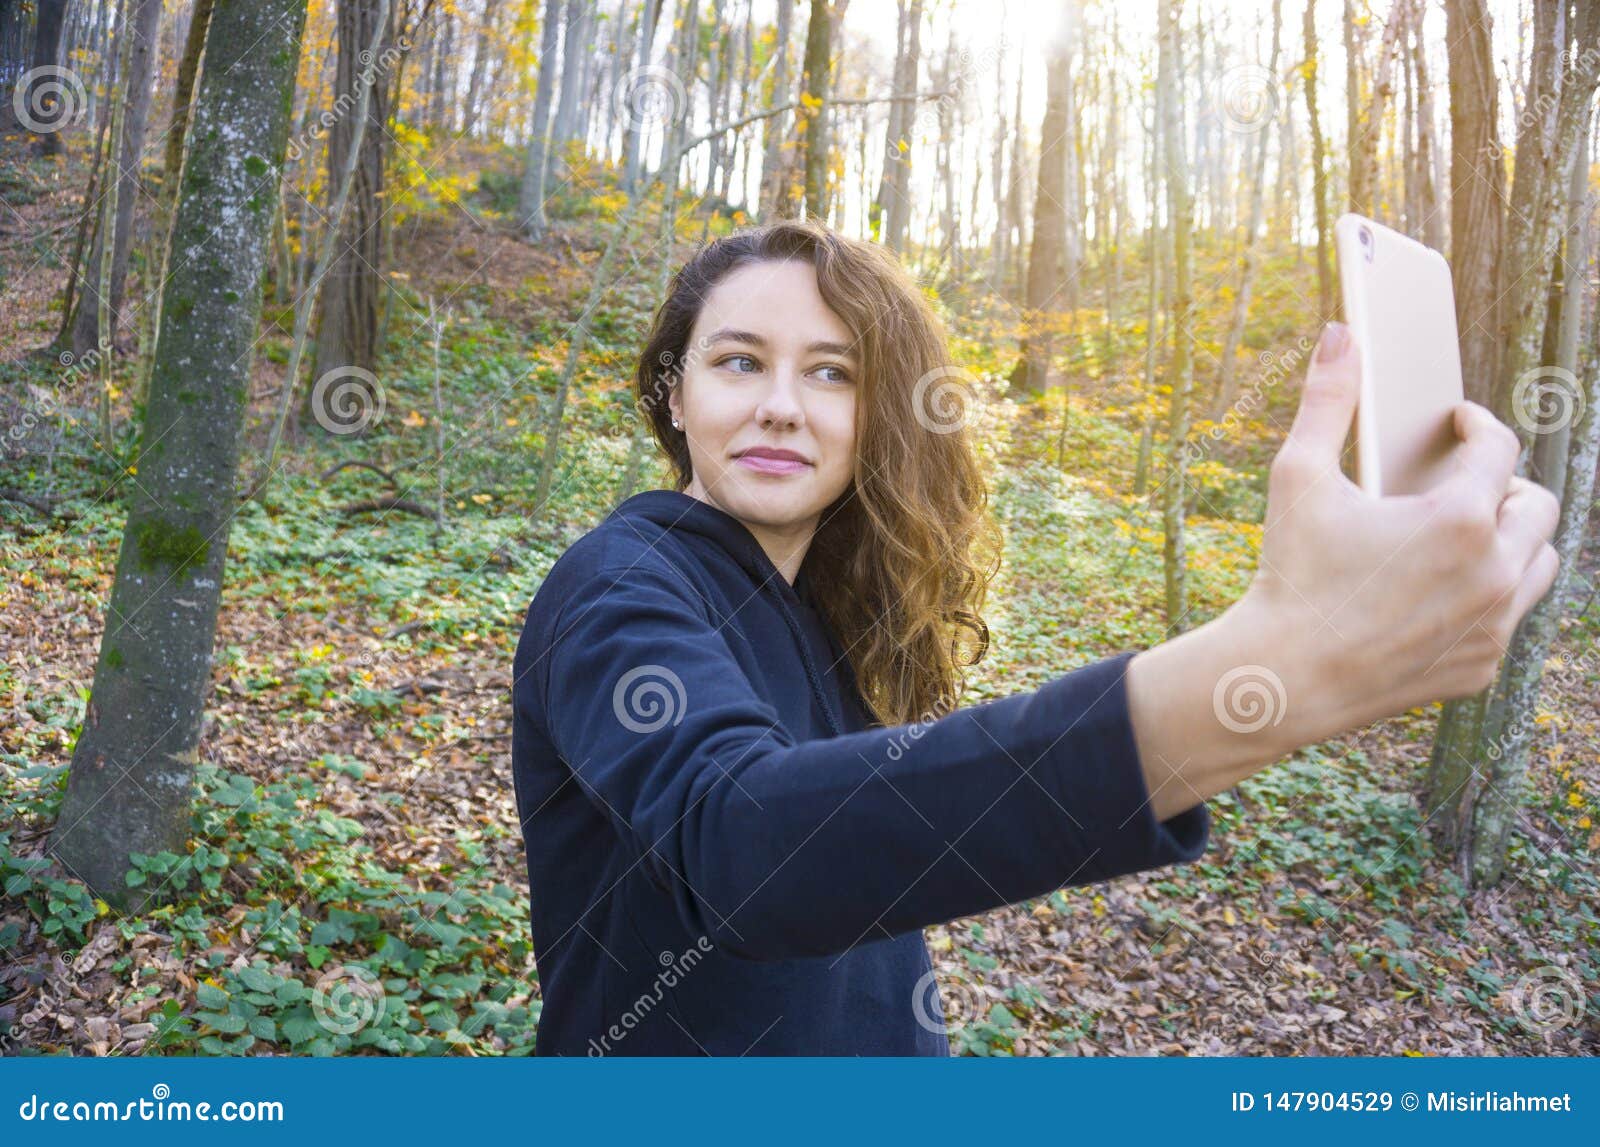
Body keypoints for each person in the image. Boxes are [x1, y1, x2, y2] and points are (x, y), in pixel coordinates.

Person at [509, 219, 1560, 1056]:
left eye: (833, 372)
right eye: (738, 362)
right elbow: (748, 850)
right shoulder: (617, 586)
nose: (783, 405)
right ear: (675, 397)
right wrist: (1267, 672)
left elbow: (859, 871)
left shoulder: (821, 614)